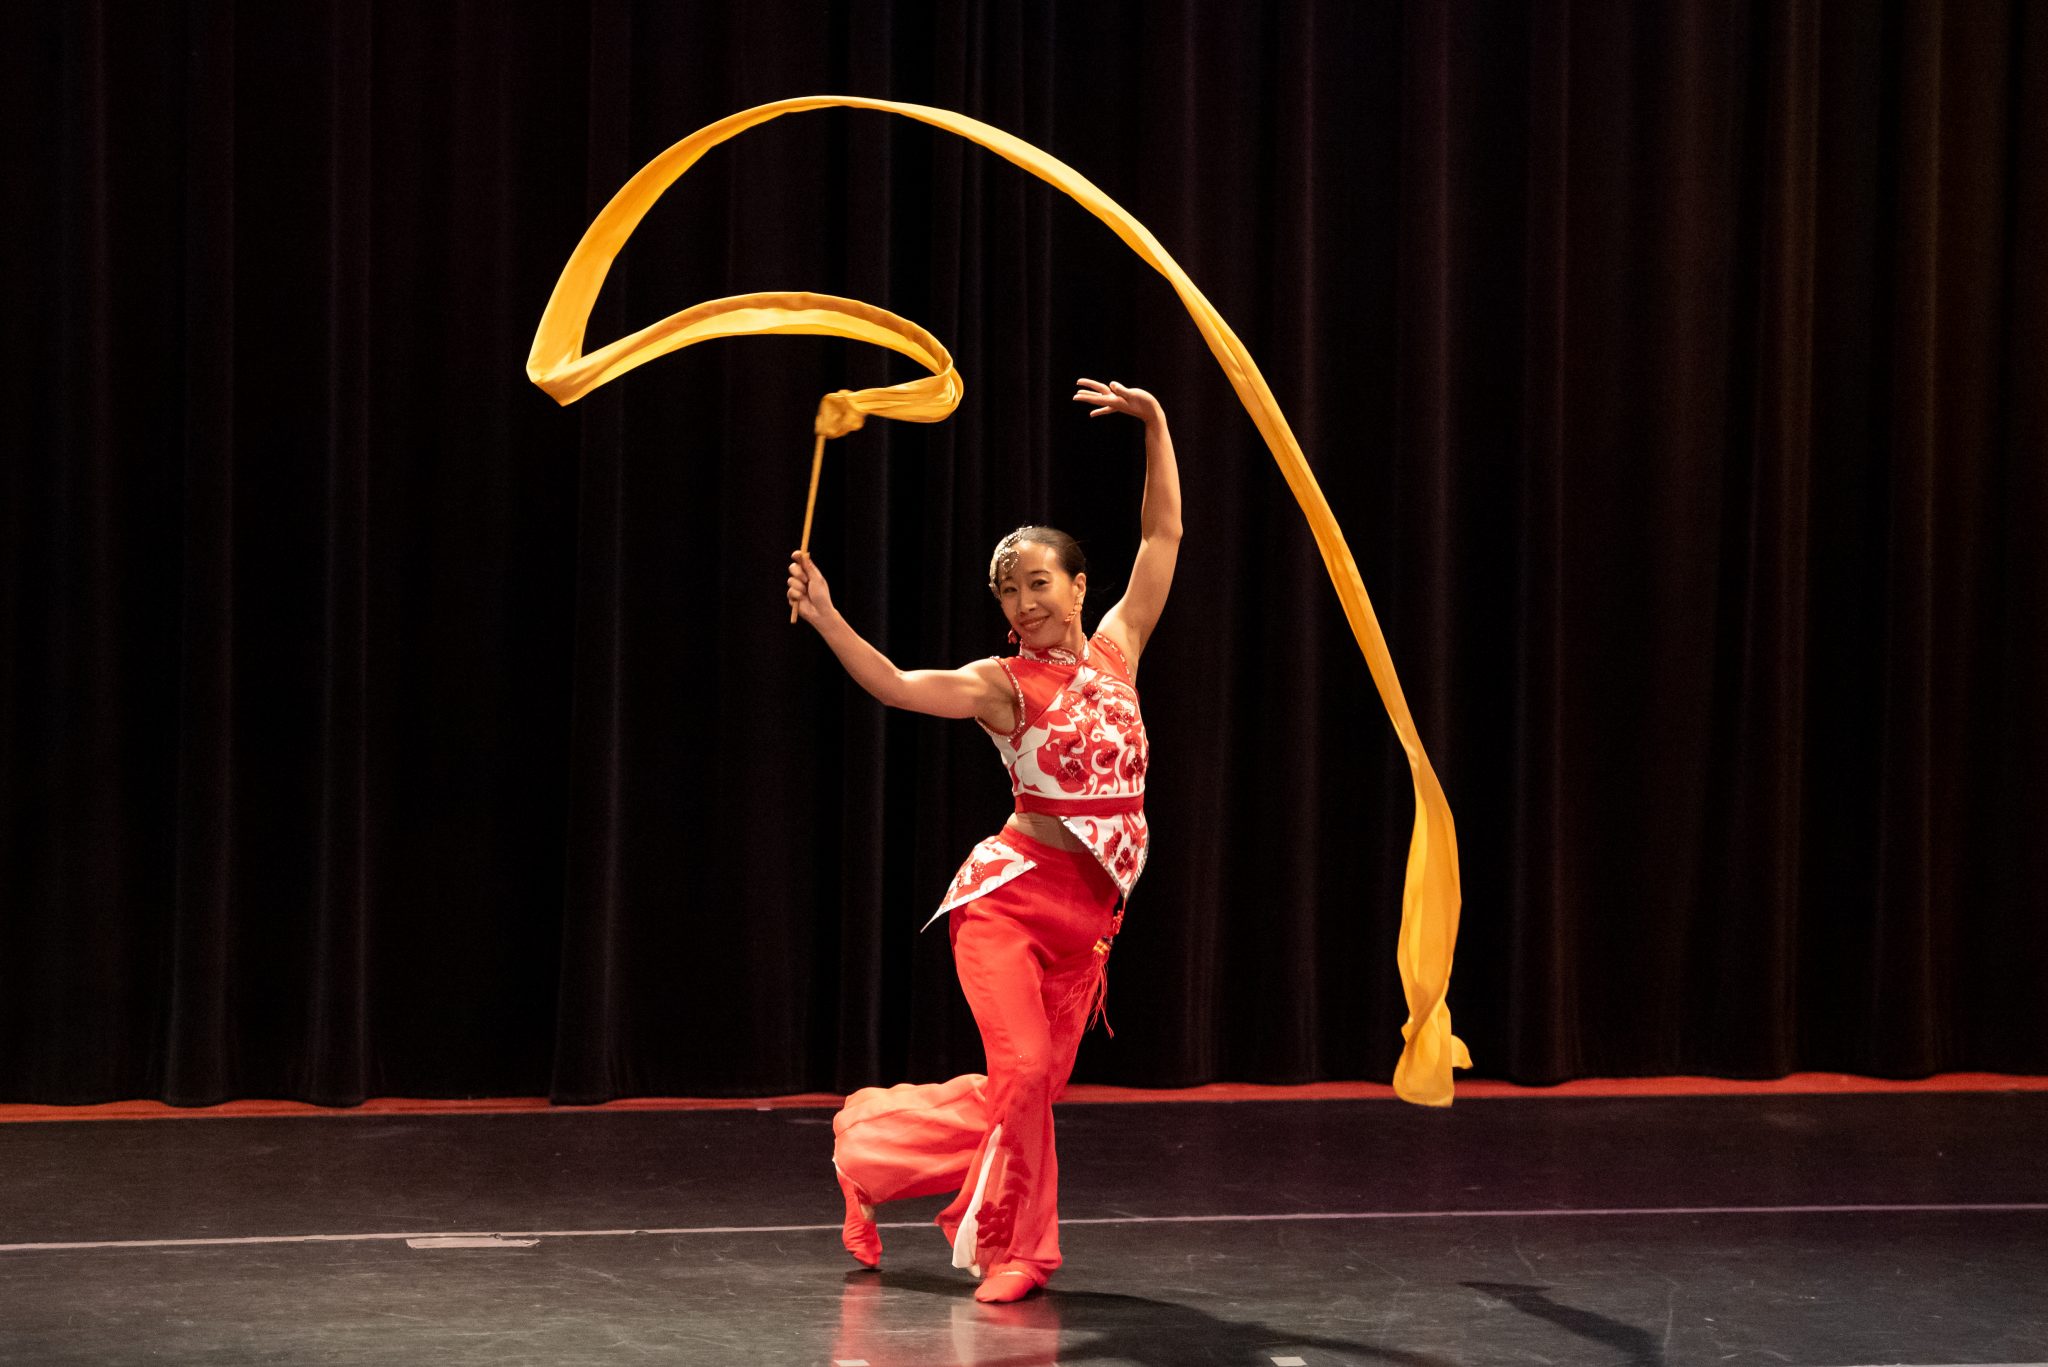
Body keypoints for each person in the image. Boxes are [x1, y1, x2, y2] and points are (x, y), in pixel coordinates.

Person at [784, 377, 1181, 1303]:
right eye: (1008, 588)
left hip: (1088, 923)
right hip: (1006, 903)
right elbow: (892, 683)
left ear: (1079, 585)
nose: (1023, 601)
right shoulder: (1000, 682)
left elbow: (1161, 537)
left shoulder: (1121, 646)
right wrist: (830, 614)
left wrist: (1158, 426)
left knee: (1026, 1092)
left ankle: (872, 1155)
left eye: (1038, 581)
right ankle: (1017, 1251)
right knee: (1027, 1071)